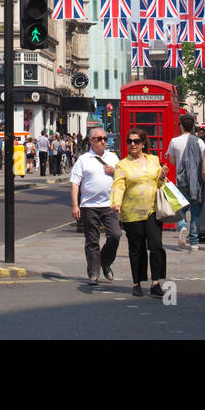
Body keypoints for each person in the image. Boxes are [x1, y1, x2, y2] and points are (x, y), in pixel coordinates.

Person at [111, 126, 168, 298]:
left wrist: (162, 176)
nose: (133, 144)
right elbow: (119, 185)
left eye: (136, 141)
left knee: (156, 245)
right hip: (131, 211)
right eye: (130, 141)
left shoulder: (154, 160)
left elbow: (160, 183)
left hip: (152, 209)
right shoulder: (122, 165)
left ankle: (156, 282)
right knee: (137, 248)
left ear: (143, 143)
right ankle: (137, 282)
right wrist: (116, 202)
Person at [70, 127, 121, 286]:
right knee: (92, 240)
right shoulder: (83, 159)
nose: (103, 141)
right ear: (91, 140)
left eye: (105, 138)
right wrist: (75, 205)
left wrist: (115, 172)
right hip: (89, 206)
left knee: (115, 235)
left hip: (109, 205)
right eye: (99, 139)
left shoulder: (113, 158)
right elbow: (75, 184)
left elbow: (122, 179)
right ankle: (93, 273)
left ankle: (105, 261)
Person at [167, 115, 205, 251]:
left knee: (180, 208)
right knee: (195, 211)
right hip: (196, 181)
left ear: (181, 126)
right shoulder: (200, 142)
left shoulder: (174, 141)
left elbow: (172, 162)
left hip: (181, 180)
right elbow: (204, 161)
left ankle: (182, 225)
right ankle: (194, 242)